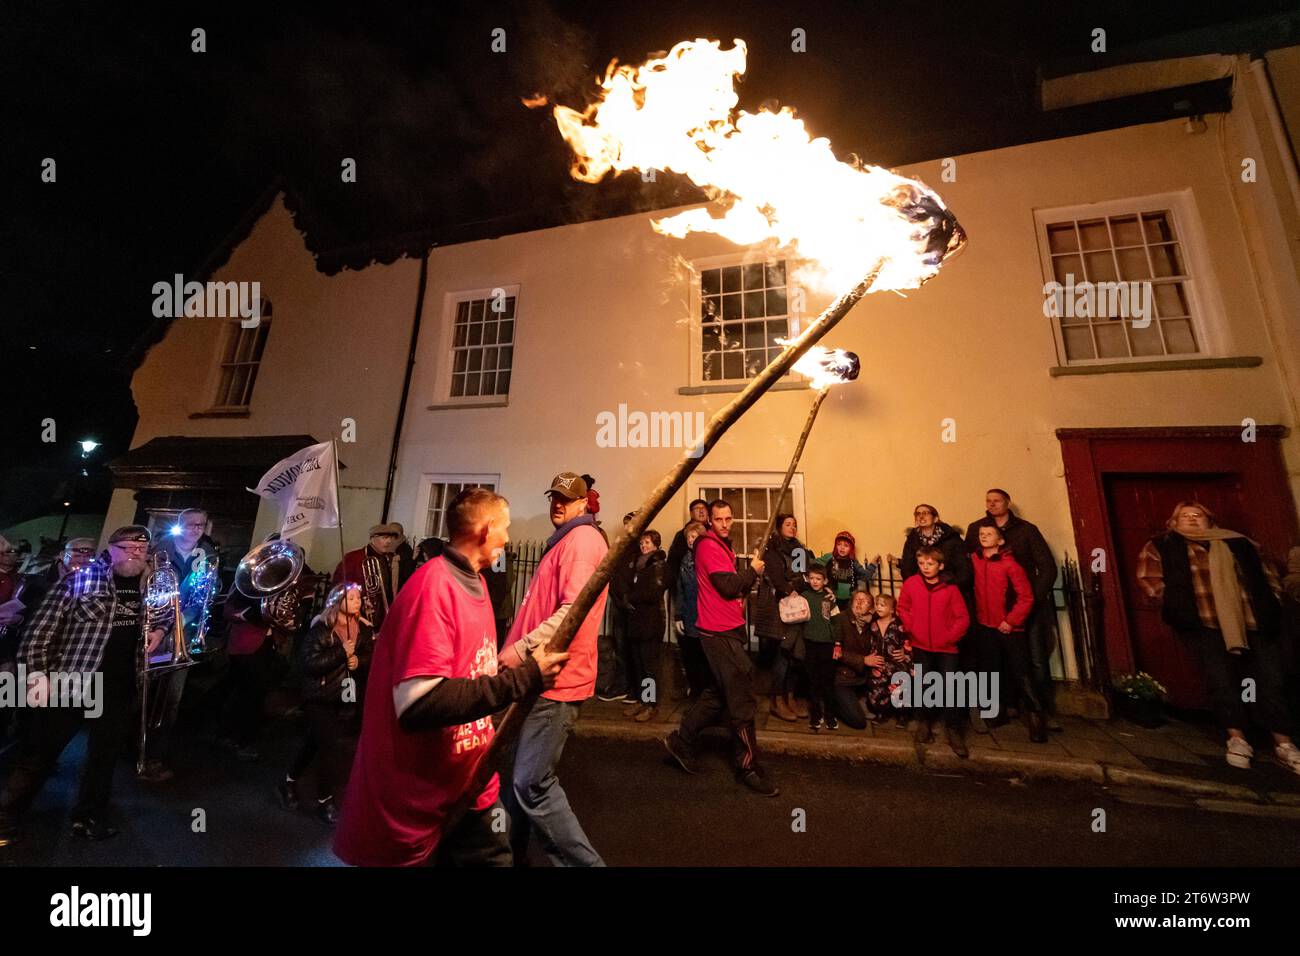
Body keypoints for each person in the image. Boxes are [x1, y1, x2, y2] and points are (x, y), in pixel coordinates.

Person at [333, 488, 567, 866]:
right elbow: (420, 704)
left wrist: (518, 669)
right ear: (486, 528)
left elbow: (470, 672)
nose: (508, 539)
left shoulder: (473, 582)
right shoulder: (433, 588)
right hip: (422, 799)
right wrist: (522, 681)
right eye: (504, 528)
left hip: (472, 785)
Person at [0, 526, 168, 846]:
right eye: (127, 547)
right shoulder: (80, 578)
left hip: (121, 685)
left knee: (103, 759)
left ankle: (89, 817)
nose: (135, 553)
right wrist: (37, 676)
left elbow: (162, 619)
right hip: (73, 679)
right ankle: (7, 815)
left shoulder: (154, 584)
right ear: (112, 549)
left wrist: (159, 632)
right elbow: (40, 631)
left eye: (141, 548)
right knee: (41, 752)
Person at [1136, 501, 1300, 775]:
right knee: (1221, 680)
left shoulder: (1238, 543)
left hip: (1252, 621)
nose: (1190, 519)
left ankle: (1283, 742)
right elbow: (1150, 580)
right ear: (1173, 523)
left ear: (1209, 520)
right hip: (1206, 624)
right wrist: (1177, 605)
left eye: (1197, 515)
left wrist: (1272, 603)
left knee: (1271, 680)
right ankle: (1237, 738)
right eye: (1183, 516)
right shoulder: (1163, 545)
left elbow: (1268, 576)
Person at [497, 472, 609, 866]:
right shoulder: (566, 541)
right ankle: (506, 858)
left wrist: (517, 652)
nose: (558, 504)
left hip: (555, 679)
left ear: (584, 503)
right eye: (554, 497)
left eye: (567, 498)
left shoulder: (581, 542)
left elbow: (569, 614)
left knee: (532, 784)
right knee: (516, 780)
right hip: (539, 676)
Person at [664, 499, 779, 796]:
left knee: (717, 692)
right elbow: (728, 586)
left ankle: (682, 740)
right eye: (719, 519)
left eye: (729, 519)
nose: (726, 524)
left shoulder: (722, 545)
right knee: (741, 696)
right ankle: (747, 766)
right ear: (709, 522)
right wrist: (752, 570)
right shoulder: (708, 545)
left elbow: (732, 589)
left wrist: (745, 583)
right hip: (718, 632)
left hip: (726, 628)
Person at [280, 582, 375, 824]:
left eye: (359, 598)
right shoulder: (322, 629)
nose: (357, 602)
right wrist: (340, 653)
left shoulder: (362, 629)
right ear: (337, 601)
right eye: (352, 597)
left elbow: (368, 657)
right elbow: (309, 664)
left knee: (314, 743)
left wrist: (359, 661)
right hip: (319, 696)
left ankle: (289, 781)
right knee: (331, 747)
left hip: (344, 696)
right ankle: (325, 800)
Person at [964, 489, 1058, 727]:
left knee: (1030, 662)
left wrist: (1026, 606)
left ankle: (1038, 712)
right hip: (986, 616)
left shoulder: (1025, 531)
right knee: (991, 663)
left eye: (997, 500)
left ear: (1007, 502)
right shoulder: (977, 529)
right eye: (988, 500)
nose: (992, 504)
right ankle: (1002, 708)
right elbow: (963, 561)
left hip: (1019, 609)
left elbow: (1046, 567)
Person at [140, 509, 217, 783]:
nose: (196, 528)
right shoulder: (157, 551)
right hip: (150, 633)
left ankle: (155, 755)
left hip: (182, 634)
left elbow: (206, 595)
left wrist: (184, 618)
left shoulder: (207, 556)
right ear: (179, 525)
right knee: (143, 692)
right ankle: (133, 745)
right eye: (190, 524)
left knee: (170, 699)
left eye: (201, 524)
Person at [898, 546, 971, 759]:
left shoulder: (950, 589)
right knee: (925, 684)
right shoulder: (912, 584)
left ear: (940, 565)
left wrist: (949, 637)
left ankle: (954, 729)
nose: (925, 568)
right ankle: (925, 722)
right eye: (922, 564)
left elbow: (962, 617)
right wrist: (912, 627)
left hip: (946, 646)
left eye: (930, 564)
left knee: (950, 687)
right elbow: (903, 607)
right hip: (921, 644)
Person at [970, 524, 1042, 741]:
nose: (984, 536)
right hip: (985, 625)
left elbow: (1026, 597)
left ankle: (1036, 715)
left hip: (1008, 626)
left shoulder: (1010, 565)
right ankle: (996, 712)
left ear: (1000, 541)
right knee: (990, 668)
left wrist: (1011, 621)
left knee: (1021, 670)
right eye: (982, 534)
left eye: (989, 534)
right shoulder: (976, 559)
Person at [753, 513, 808, 722]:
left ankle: (790, 696)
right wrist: (790, 587)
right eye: (788, 524)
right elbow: (777, 578)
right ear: (779, 527)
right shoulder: (772, 549)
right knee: (782, 655)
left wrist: (796, 585)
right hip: (778, 607)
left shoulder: (799, 549)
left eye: (795, 524)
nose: (792, 527)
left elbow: (803, 573)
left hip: (795, 606)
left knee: (795, 654)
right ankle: (777, 700)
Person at [334, 522, 415, 630]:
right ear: (372, 538)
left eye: (391, 538)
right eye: (384, 537)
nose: (389, 541)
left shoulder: (390, 559)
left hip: (382, 618)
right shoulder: (353, 558)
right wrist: (359, 600)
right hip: (357, 616)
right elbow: (339, 586)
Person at [624, 530, 668, 722]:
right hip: (637, 620)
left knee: (649, 666)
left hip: (650, 621)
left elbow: (654, 591)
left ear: (656, 545)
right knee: (639, 664)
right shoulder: (640, 565)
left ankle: (651, 704)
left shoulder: (657, 565)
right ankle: (643, 699)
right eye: (642, 543)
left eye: (648, 543)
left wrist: (631, 597)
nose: (644, 546)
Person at [600, 511, 639, 703]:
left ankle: (639, 691)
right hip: (618, 605)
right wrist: (616, 597)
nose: (628, 528)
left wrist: (628, 599)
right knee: (621, 648)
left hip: (633, 609)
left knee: (635, 651)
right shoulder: (621, 547)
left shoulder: (642, 548)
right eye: (626, 524)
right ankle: (623, 686)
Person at [798, 564, 840, 732]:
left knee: (828, 682)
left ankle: (830, 715)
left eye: (819, 579)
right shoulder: (803, 597)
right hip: (810, 643)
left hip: (827, 644)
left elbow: (836, 623)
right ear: (808, 579)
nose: (815, 582)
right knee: (813, 682)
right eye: (812, 578)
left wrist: (838, 643)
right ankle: (816, 715)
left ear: (825, 581)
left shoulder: (829, 599)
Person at [672, 521, 711, 699]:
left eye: (694, 537)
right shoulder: (685, 560)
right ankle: (696, 692)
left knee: (705, 657)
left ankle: (706, 694)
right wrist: (678, 614)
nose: (690, 540)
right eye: (689, 537)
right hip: (689, 612)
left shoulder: (707, 559)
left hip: (706, 613)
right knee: (691, 655)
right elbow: (680, 589)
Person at [831, 590, 881, 729]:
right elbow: (835, 652)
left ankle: (859, 700)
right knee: (859, 722)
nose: (859, 602)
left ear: (870, 609)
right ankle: (829, 703)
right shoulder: (840, 619)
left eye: (864, 601)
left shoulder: (871, 624)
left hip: (861, 680)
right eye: (857, 599)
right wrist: (862, 660)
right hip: (842, 678)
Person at [817, 531, 876, 611]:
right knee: (827, 618)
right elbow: (813, 565)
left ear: (851, 548)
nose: (842, 548)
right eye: (839, 544)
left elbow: (865, 576)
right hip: (829, 597)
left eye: (846, 545)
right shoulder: (829, 557)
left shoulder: (853, 562)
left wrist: (873, 563)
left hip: (848, 601)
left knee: (845, 621)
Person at [665, 498, 710, 589]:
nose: (701, 511)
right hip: (686, 582)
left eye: (704, 508)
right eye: (697, 508)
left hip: (708, 581)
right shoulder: (682, 535)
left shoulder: (712, 533)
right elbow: (673, 560)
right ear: (691, 514)